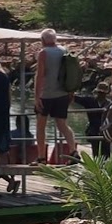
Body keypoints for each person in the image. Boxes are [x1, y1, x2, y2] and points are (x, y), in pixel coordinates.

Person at [33, 28, 78, 164]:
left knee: (40, 126)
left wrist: (36, 96)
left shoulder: (43, 53)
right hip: (62, 94)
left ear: (42, 41)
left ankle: (41, 157)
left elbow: (40, 75)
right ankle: (73, 150)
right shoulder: (64, 51)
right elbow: (71, 72)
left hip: (46, 94)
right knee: (63, 124)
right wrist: (71, 92)